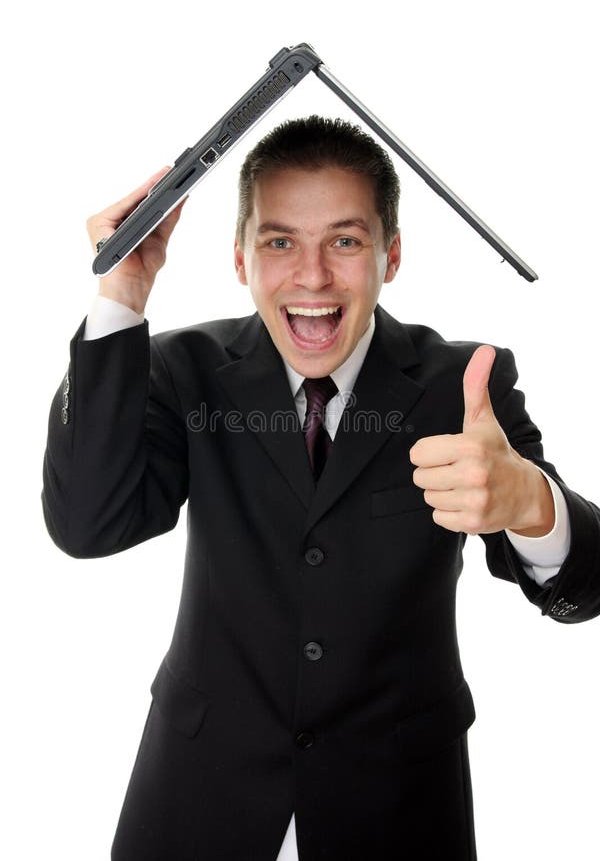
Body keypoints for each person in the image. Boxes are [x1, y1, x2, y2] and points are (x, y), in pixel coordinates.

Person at [42, 116, 600, 861]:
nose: (311, 277)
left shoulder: (465, 385)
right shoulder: (184, 369)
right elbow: (88, 523)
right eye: (279, 243)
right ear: (239, 258)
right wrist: (123, 293)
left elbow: (589, 588)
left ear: (390, 255)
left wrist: (531, 505)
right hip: (198, 797)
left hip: (401, 809)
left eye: (344, 241)